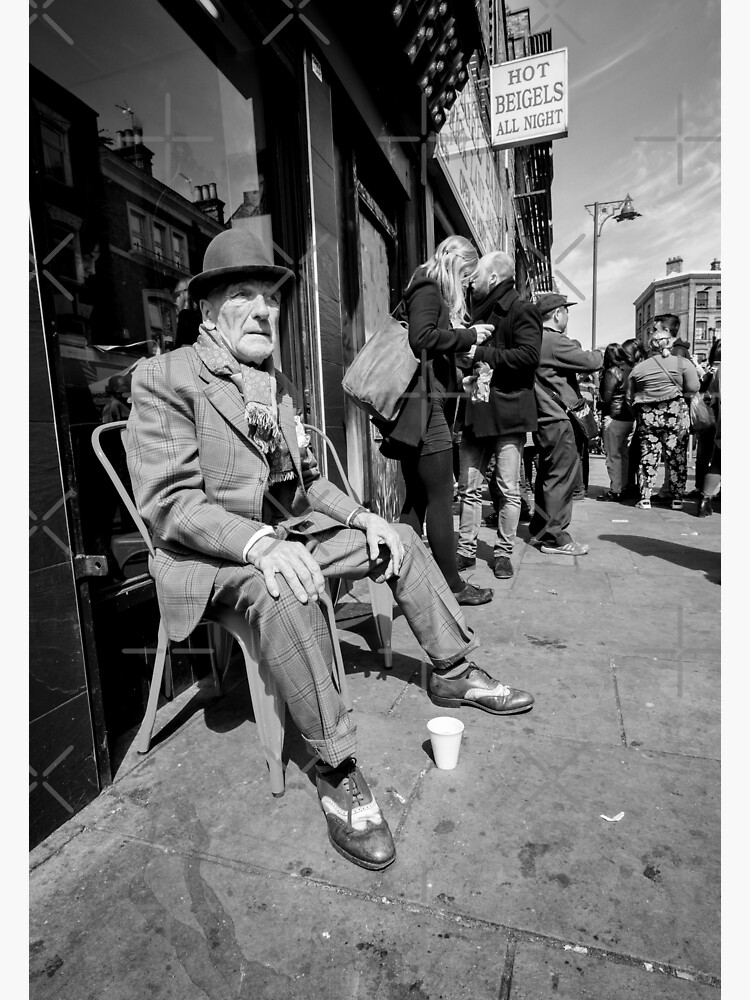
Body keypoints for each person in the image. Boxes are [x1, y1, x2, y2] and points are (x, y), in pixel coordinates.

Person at [126, 229, 534, 872]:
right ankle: (336, 766)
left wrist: (364, 515)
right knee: (283, 586)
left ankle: (453, 672)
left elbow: (308, 484)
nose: (265, 309)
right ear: (206, 310)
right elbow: (169, 503)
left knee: (398, 537)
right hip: (208, 557)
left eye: (271, 298)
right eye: (244, 296)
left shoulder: (276, 385)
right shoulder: (163, 378)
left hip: (283, 538)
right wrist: (258, 542)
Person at [377, 235, 494, 605]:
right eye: (465, 275)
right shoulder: (428, 286)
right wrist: (467, 335)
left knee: (417, 501)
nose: (465, 284)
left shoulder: (424, 288)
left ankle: (392, 571)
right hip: (426, 413)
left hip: (425, 409)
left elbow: (428, 346)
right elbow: (422, 339)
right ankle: (453, 587)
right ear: (455, 260)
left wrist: (463, 363)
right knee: (442, 499)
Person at [455, 250, 541, 579]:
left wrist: (480, 352)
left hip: (507, 410)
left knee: (507, 488)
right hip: (478, 407)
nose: (470, 281)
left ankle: (504, 553)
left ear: (492, 278)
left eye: (475, 275)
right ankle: (466, 550)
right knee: (469, 485)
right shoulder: (475, 311)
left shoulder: (522, 309)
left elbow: (529, 357)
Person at [529, 293, 602, 555]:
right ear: (558, 314)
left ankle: (540, 529)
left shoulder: (534, 340)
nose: (567, 316)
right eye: (566, 312)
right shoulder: (555, 341)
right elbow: (592, 361)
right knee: (562, 477)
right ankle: (556, 537)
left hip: (544, 418)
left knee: (548, 476)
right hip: (559, 419)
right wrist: (599, 352)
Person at [626, 330, 700, 509]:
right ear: (670, 343)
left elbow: (629, 397)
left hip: (648, 416)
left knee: (648, 455)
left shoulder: (639, 368)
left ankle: (645, 498)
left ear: (651, 345)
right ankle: (676, 499)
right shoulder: (682, 363)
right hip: (675, 415)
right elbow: (694, 386)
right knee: (676, 456)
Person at [597, 343, 636, 501]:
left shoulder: (612, 372)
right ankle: (625, 486)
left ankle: (616, 489)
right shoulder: (631, 369)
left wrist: (599, 405)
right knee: (625, 455)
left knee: (613, 456)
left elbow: (606, 398)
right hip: (630, 418)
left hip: (614, 417)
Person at [691, 338, 721, 498]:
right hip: (715, 418)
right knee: (715, 459)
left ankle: (702, 492)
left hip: (709, 418)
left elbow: (702, 390)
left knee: (707, 456)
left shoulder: (711, 372)